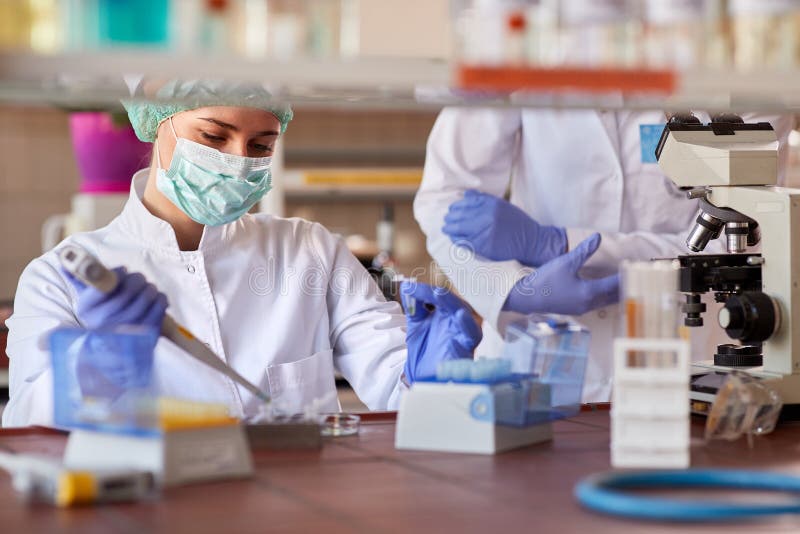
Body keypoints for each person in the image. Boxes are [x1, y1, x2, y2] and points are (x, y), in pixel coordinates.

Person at [2, 80, 481, 427]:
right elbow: (25, 427)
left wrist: (430, 373)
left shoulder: (309, 250)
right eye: (214, 136)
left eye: (260, 144)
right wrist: (97, 359)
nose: (238, 159)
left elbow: (398, 391)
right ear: (156, 122)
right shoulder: (59, 276)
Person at [415, 108, 794, 402]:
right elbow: (445, 201)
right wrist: (511, 289)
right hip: (536, 365)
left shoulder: (738, 54)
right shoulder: (525, 33)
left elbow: (741, 231)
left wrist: (558, 244)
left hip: (686, 359)